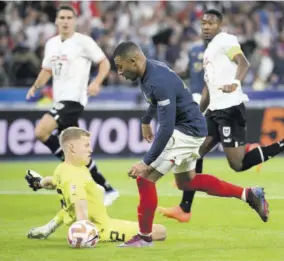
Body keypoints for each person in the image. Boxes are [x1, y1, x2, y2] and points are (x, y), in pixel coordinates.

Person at [113, 41, 269, 248]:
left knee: (145, 177)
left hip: (185, 131)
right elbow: (154, 100)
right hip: (192, 128)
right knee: (187, 182)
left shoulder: (157, 79)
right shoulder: (148, 71)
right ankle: (249, 194)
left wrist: (146, 162)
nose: (119, 72)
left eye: (120, 66)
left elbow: (166, 129)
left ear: (133, 61)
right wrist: (145, 120)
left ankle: (144, 237)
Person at [157, 9, 284, 224]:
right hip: (214, 111)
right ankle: (184, 208)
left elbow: (243, 62)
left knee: (237, 164)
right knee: (193, 153)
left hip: (230, 109)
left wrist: (235, 82)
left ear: (220, 25)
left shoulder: (226, 40)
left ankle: (280, 146)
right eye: (203, 23)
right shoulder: (208, 52)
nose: (206, 26)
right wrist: (199, 113)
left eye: (211, 23)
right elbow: (208, 87)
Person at [25, 5, 119, 207]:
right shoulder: (51, 44)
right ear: (56, 21)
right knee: (73, 150)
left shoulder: (84, 42)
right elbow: (47, 70)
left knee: (41, 131)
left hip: (73, 100)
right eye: (62, 17)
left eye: (69, 17)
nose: (66, 21)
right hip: (59, 100)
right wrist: (35, 86)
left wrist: (95, 82)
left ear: (75, 21)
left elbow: (104, 63)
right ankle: (105, 188)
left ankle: (88, 182)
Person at [25, 127, 167, 242]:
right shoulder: (76, 176)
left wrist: (40, 183)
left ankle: (51, 228)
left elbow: (53, 182)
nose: (91, 150)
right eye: (86, 145)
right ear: (72, 148)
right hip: (102, 229)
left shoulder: (63, 169)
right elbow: (80, 207)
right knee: (160, 231)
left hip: (91, 225)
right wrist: (84, 232)